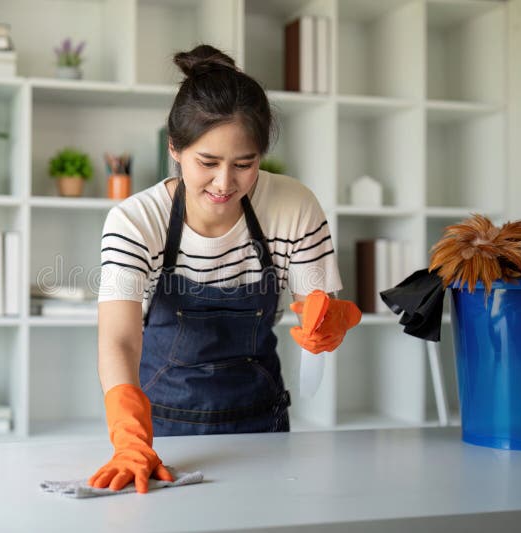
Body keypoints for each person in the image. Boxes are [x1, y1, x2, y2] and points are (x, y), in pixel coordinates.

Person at [88, 44, 361, 494]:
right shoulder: (136, 221)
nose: (224, 183)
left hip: (263, 429)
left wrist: (328, 319)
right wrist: (130, 438)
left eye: (244, 164)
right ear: (175, 148)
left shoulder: (293, 205)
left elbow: (314, 304)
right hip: (162, 436)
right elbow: (117, 338)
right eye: (207, 163)